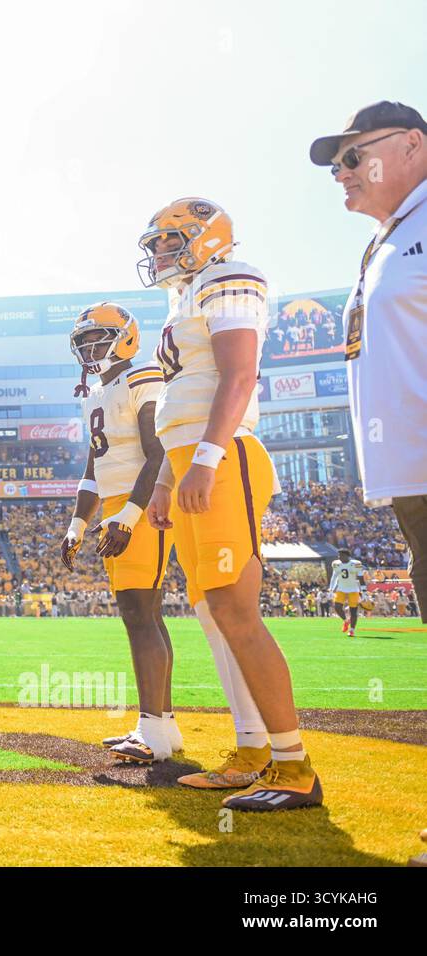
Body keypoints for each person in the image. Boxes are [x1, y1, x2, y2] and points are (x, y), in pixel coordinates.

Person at [142, 198, 322, 811]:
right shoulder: (187, 295)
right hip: (193, 456)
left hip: (224, 458)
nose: (160, 254)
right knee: (215, 616)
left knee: (236, 612)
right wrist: (169, 477)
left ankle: (294, 767)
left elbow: (239, 375)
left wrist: (207, 460)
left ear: (205, 239)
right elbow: (186, 400)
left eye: (169, 242)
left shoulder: (228, 277)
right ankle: (251, 750)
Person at [310, 102, 427, 623]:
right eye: (337, 165)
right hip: (412, 482)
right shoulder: (392, 237)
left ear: (412, 144)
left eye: (353, 156)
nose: (341, 173)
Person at [60, 303, 180, 764]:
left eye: (99, 338)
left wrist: (129, 516)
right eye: (84, 342)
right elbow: (94, 467)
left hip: (141, 505)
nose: (91, 348)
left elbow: (157, 452)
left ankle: (151, 729)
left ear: (125, 336)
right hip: (116, 505)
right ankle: (162, 728)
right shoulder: (99, 391)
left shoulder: (142, 375)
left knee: (139, 613)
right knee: (145, 612)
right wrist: (77, 525)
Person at [327, 547, 368, 637]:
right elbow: (334, 577)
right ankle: (346, 620)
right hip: (341, 588)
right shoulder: (336, 564)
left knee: (353, 611)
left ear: (347, 556)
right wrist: (331, 589)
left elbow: (361, 579)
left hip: (353, 589)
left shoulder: (356, 564)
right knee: (337, 607)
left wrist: (364, 592)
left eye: (340, 555)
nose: (339, 557)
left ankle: (352, 630)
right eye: (338, 555)